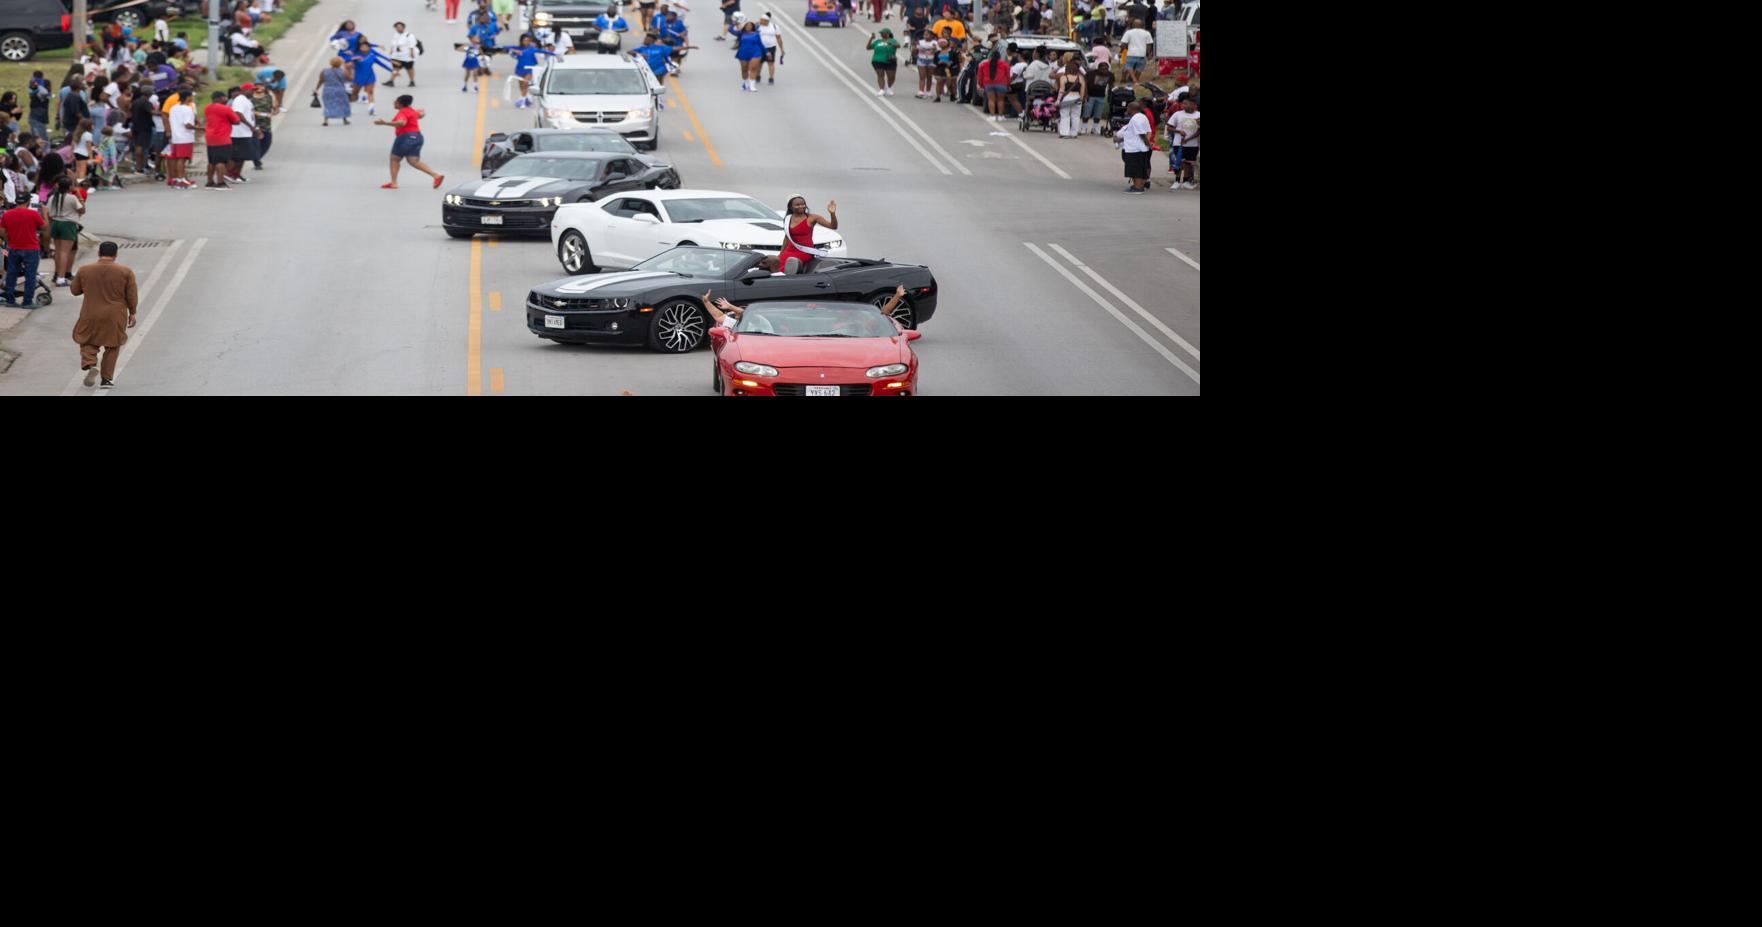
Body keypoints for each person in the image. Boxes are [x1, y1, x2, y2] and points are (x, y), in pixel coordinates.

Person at [68, 241, 138, 390]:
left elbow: (74, 290)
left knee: (86, 338)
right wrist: (132, 312)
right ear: (116, 255)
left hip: (90, 312)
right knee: (113, 345)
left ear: (98, 253)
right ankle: (106, 380)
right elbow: (131, 295)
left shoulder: (85, 270)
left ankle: (90, 362)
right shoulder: (125, 272)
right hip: (115, 314)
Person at [373, 95, 445, 190]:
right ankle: (436, 175)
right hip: (418, 137)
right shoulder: (411, 111)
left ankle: (394, 183)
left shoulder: (402, 112)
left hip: (405, 137)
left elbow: (402, 123)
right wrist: (423, 113)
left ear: (400, 103)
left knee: (394, 159)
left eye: (395, 101)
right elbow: (420, 115)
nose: (394, 103)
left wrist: (385, 123)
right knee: (413, 161)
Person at [0, 197, 47, 308]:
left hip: (14, 248)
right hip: (31, 248)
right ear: (28, 202)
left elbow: (1, 230)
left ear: (16, 202)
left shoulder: (7, 214)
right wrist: (44, 213)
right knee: (30, 275)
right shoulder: (33, 214)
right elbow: (45, 227)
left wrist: (8, 240)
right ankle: (27, 302)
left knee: (12, 274)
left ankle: (10, 300)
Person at [777, 196, 836, 272]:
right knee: (775, 265)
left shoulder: (812, 218)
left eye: (803, 204)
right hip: (790, 250)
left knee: (786, 268)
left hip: (805, 251)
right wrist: (780, 254)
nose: (801, 206)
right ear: (791, 207)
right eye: (797, 205)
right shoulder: (788, 218)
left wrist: (832, 214)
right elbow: (787, 237)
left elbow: (833, 226)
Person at [44, 177, 84, 285]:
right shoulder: (72, 198)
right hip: (68, 224)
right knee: (65, 252)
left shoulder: (53, 197)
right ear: (70, 187)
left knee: (58, 251)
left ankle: (57, 274)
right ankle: (61, 278)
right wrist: (80, 197)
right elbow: (82, 210)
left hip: (56, 223)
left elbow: (48, 213)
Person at [344, 36, 393, 115]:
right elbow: (345, 61)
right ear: (359, 48)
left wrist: (392, 71)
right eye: (362, 46)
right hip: (358, 77)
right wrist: (353, 58)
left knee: (370, 92)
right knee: (355, 93)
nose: (364, 48)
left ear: (369, 48)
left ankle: (371, 108)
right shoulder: (355, 55)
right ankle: (349, 107)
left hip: (370, 76)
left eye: (366, 46)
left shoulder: (372, 56)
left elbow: (382, 64)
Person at [202, 90, 240, 188]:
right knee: (221, 161)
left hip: (210, 137)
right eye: (225, 97)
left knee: (212, 161)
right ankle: (221, 182)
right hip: (222, 137)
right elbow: (236, 121)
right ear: (220, 98)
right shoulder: (225, 108)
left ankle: (209, 182)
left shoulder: (207, 108)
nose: (226, 99)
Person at [512, 36, 561, 108]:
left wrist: (555, 54)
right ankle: (527, 97)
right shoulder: (518, 49)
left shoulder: (532, 49)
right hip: (520, 69)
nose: (526, 42)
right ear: (521, 41)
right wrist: (514, 52)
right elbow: (510, 51)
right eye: (525, 40)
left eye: (528, 40)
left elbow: (543, 51)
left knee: (526, 83)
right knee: (521, 85)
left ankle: (522, 100)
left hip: (529, 69)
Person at [226, 86, 261, 184]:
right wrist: (251, 127)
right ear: (244, 90)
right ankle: (230, 174)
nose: (253, 91)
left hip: (245, 133)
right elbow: (238, 114)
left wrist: (255, 128)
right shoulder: (240, 99)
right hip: (238, 133)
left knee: (243, 156)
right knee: (237, 156)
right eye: (251, 90)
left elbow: (251, 116)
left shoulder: (247, 100)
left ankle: (237, 174)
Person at [1115, 100, 1151, 193]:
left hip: (1134, 148)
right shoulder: (1143, 117)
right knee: (1140, 168)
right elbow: (1148, 131)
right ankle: (1139, 185)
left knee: (1136, 169)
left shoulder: (1135, 119)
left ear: (1131, 109)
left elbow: (1142, 134)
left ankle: (1137, 188)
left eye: (1128, 108)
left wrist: (1148, 144)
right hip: (1140, 148)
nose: (1127, 109)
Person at [165, 91, 196, 188]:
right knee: (182, 159)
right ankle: (181, 180)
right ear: (188, 97)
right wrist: (201, 128)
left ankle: (177, 178)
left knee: (177, 158)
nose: (192, 98)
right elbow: (187, 125)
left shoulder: (173, 108)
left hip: (176, 137)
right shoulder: (187, 109)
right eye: (192, 96)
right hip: (185, 137)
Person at [1167, 94, 1198, 189]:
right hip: (1178, 143)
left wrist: (1189, 139)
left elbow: (1199, 131)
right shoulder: (1177, 114)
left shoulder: (1198, 115)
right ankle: (1176, 181)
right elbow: (1169, 127)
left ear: (1193, 105)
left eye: (1185, 103)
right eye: (1183, 103)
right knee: (1179, 162)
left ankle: (1185, 182)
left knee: (1188, 163)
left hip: (1193, 144)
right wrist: (1178, 131)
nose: (1182, 105)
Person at [1080, 57, 1112, 135]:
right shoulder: (1091, 74)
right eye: (1103, 69)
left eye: (1106, 69)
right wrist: (1086, 94)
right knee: (1087, 112)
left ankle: (1095, 127)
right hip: (1090, 95)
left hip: (1101, 96)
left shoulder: (1110, 75)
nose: (1105, 71)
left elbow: (1111, 85)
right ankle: (1084, 127)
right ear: (1098, 68)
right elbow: (1085, 84)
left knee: (1098, 113)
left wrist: (1110, 95)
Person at [248, 83, 275, 170]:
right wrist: (257, 113)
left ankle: (257, 158)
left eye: (261, 85)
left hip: (266, 125)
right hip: (254, 125)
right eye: (257, 85)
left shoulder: (269, 97)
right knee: (256, 144)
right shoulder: (249, 98)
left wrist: (273, 112)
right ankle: (257, 163)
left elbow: (275, 108)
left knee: (267, 143)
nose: (259, 87)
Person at [733, 21, 765, 92]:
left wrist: (767, 52)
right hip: (743, 52)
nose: (748, 27)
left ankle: (752, 85)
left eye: (750, 26)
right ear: (745, 27)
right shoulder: (741, 33)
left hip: (755, 52)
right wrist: (736, 23)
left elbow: (760, 44)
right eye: (747, 26)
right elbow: (731, 30)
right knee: (744, 69)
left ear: (752, 27)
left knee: (753, 68)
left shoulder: (756, 34)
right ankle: (746, 83)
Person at [386, 22, 421, 89]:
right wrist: (391, 52)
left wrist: (412, 53)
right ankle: (391, 81)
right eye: (397, 27)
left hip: (407, 55)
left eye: (400, 27)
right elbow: (393, 44)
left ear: (403, 27)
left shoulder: (409, 35)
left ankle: (412, 81)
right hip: (397, 55)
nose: (398, 28)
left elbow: (412, 44)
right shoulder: (395, 35)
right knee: (395, 68)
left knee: (409, 69)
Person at [867, 29, 901, 96]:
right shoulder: (877, 41)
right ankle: (881, 89)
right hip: (877, 60)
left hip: (890, 60)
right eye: (881, 33)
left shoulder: (893, 40)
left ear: (888, 34)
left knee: (891, 76)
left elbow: (898, 46)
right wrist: (871, 39)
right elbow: (868, 48)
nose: (882, 34)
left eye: (883, 33)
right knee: (880, 75)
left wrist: (891, 43)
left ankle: (889, 87)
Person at [1056, 59, 1084, 137]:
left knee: (1065, 115)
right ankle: (1074, 133)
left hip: (1067, 98)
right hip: (1077, 97)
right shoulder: (1080, 78)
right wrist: (1081, 99)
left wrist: (1058, 100)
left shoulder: (1064, 77)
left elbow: (1061, 90)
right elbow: (1082, 90)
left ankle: (1065, 133)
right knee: (1076, 116)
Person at [978, 48, 1009, 119]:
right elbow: (1007, 75)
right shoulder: (1005, 64)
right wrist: (1008, 84)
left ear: (990, 56)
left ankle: (992, 116)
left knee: (991, 100)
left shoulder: (984, 64)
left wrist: (981, 84)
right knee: (1001, 100)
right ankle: (1001, 116)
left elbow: (980, 75)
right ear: (999, 57)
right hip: (1001, 83)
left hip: (988, 84)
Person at [756, 13, 784, 85]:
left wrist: (782, 49)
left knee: (770, 63)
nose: (760, 21)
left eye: (762, 20)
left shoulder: (774, 26)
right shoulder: (757, 26)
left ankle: (771, 78)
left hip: (771, 47)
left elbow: (778, 38)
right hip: (760, 47)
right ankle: (757, 76)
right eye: (760, 19)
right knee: (759, 63)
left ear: (767, 21)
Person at [70, 118, 95, 184]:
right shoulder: (88, 135)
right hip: (83, 153)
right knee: (83, 170)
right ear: (88, 126)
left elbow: (72, 144)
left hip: (76, 152)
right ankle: (81, 184)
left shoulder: (77, 133)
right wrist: (91, 158)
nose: (93, 126)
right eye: (92, 125)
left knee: (78, 169)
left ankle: (74, 183)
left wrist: (72, 153)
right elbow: (89, 148)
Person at [913, 30, 936, 98]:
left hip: (931, 61)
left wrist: (933, 49)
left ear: (932, 36)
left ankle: (928, 91)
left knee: (929, 77)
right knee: (922, 77)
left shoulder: (935, 43)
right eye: (924, 35)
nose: (925, 36)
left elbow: (937, 51)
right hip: (921, 60)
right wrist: (915, 48)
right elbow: (915, 52)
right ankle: (921, 91)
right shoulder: (920, 42)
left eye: (927, 35)